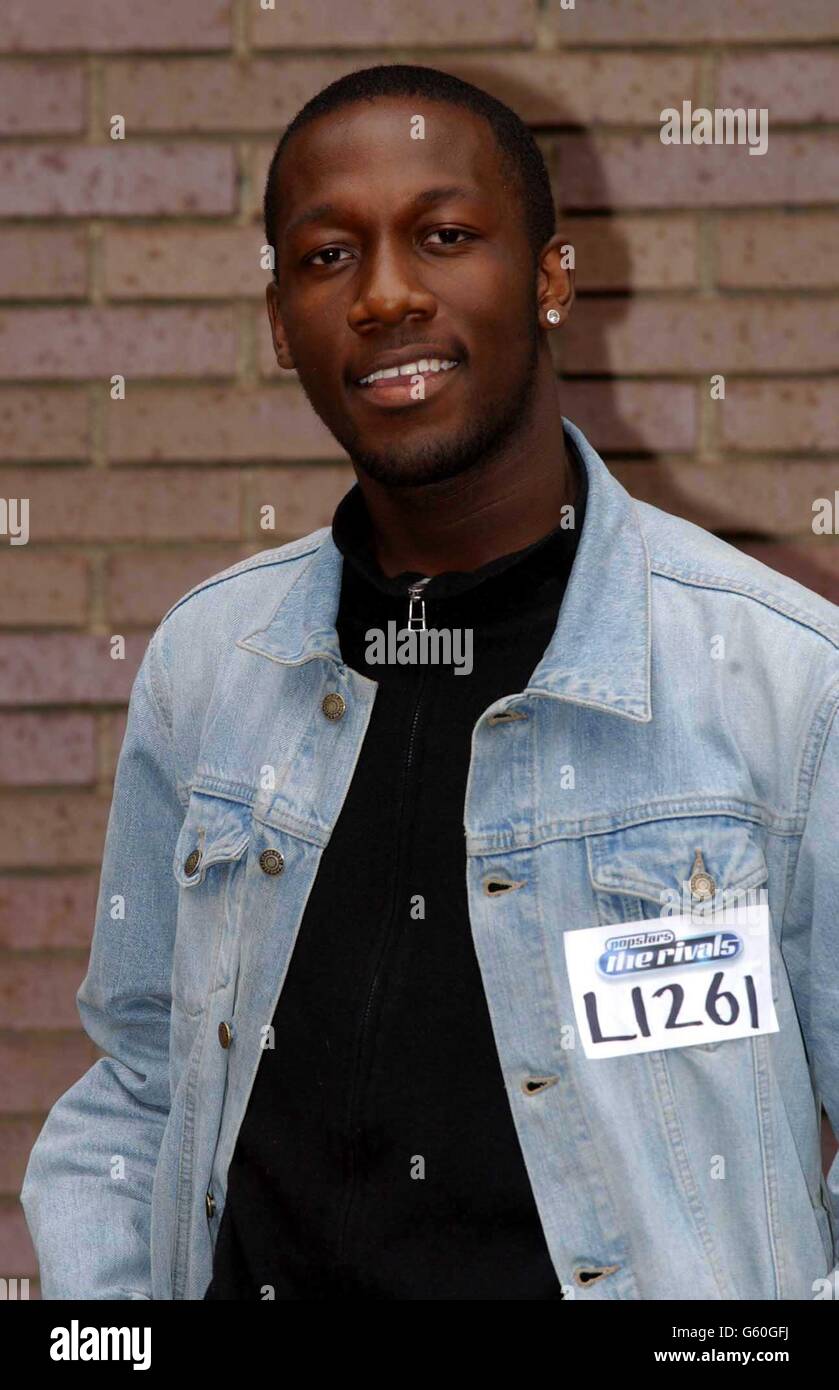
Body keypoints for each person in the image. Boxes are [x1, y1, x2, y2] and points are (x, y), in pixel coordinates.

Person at [21, 63, 839, 1301]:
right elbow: (136, 1090)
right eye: (326, 256)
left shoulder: (777, 680)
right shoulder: (212, 663)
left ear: (552, 277)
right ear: (278, 321)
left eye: (444, 237)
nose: (385, 295)